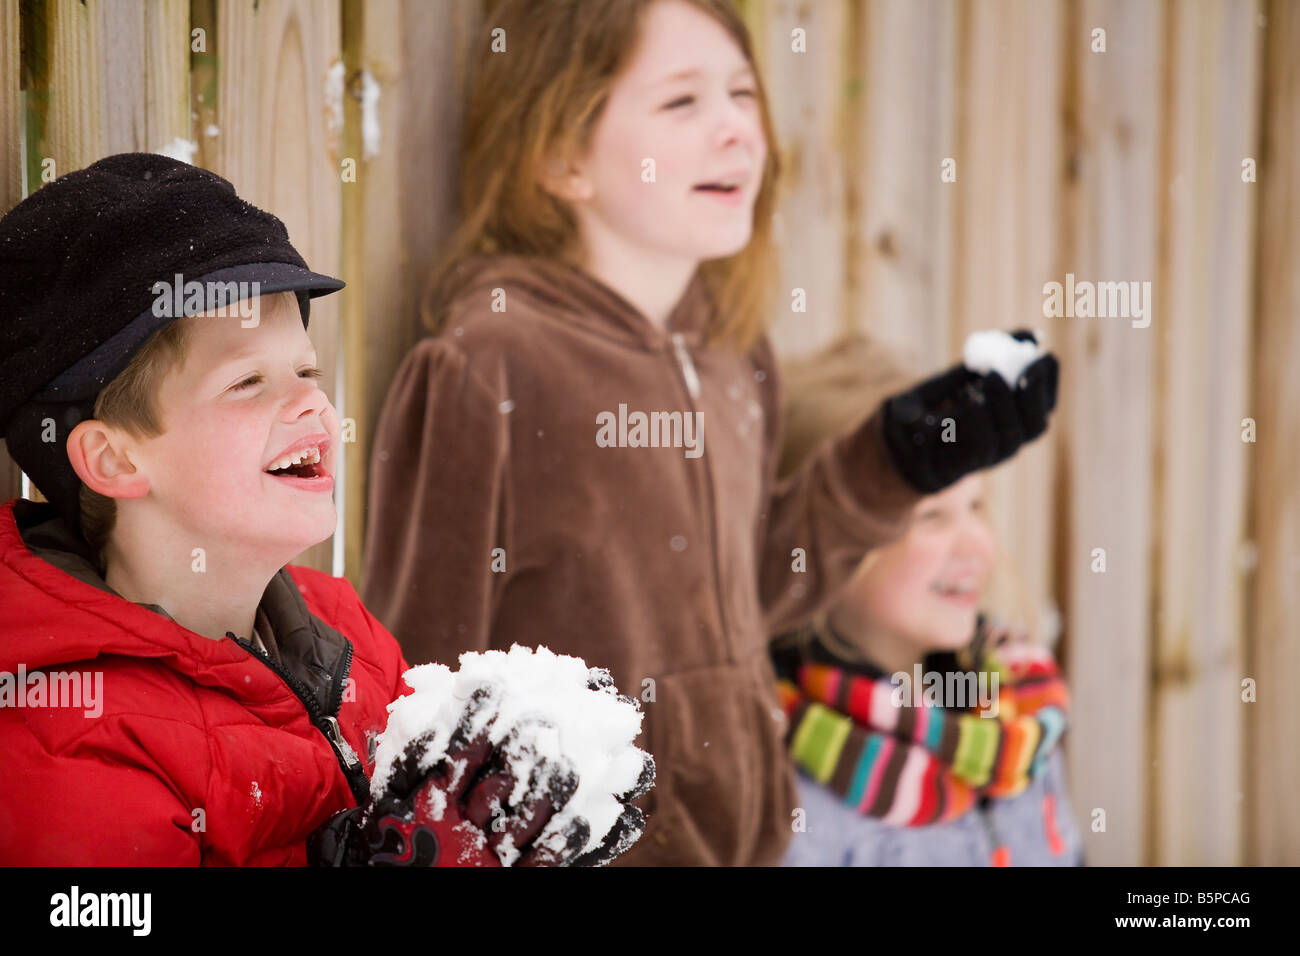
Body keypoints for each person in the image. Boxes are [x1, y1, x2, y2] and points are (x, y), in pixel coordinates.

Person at [362, 0, 1059, 865]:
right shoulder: (493, 367)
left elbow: (752, 589)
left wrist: (896, 461)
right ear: (560, 154)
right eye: (682, 103)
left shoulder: (734, 355)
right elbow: (420, 681)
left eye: (742, 93)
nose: (736, 129)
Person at [0, 154, 648, 866]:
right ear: (117, 460)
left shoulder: (345, 637)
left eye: (305, 370)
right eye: (247, 381)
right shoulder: (69, 743)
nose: (311, 402)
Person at [771, 333, 1083, 866]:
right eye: (931, 517)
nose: (978, 545)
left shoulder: (1023, 711)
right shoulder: (779, 790)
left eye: (976, 507)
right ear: (828, 537)